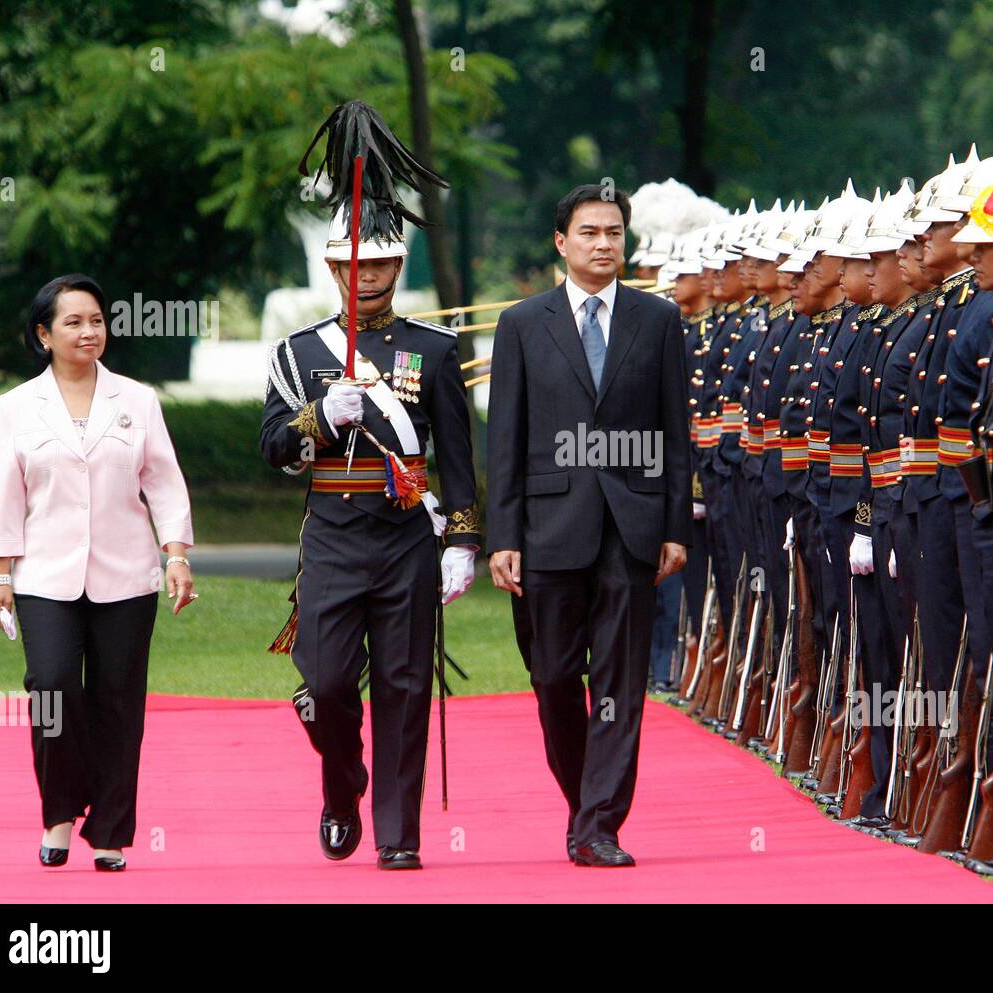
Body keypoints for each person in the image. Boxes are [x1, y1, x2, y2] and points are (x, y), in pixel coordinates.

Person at [260, 100, 480, 871]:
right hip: (331, 535)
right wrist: (321, 414)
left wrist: (462, 540)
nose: (369, 278)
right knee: (322, 683)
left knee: (404, 684)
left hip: (405, 539)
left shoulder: (435, 348)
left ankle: (398, 833)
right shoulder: (300, 353)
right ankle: (342, 778)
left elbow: (458, 457)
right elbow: (272, 447)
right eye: (355, 266)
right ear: (333, 269)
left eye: (382, 265)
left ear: (399, 266)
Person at [487, 183, 691, 867]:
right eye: (590, 232)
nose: (604, 243)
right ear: (561, 242)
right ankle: (584, 801)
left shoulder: (658, 321)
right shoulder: (522, 324)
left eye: (614, 232)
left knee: (621, 682)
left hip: (631, 527)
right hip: (548, 527)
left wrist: (674, 526)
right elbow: (505, 438)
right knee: (552, 677)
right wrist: (503, 535)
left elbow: (674, 433)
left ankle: (601, 821)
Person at [0, 273, 196, 872]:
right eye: (72, 322)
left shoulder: (138, 400)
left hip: (125, 576)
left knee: (118, 702)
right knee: (50, 687)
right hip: (44, 576)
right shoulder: (17, 406)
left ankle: (110, 832)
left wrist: (175, 555)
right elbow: (5, 493)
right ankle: (57, 813)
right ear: (44, 334)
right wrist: (0, 574)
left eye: (96, 320)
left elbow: (164, 484)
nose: (88, 331)